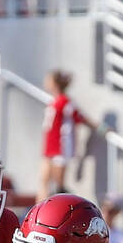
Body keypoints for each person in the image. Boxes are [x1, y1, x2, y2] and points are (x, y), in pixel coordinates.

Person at [39, 70, 97, 201]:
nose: (46, 82)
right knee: (44, 180)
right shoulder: (53, 101)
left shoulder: (65, 102)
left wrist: (98, 127)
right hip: (50, 146)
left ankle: (62, 206)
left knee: (58, 184)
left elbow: (80, 117)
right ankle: (38, 210)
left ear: (55, 83)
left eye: (49, 80)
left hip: (61, 146)